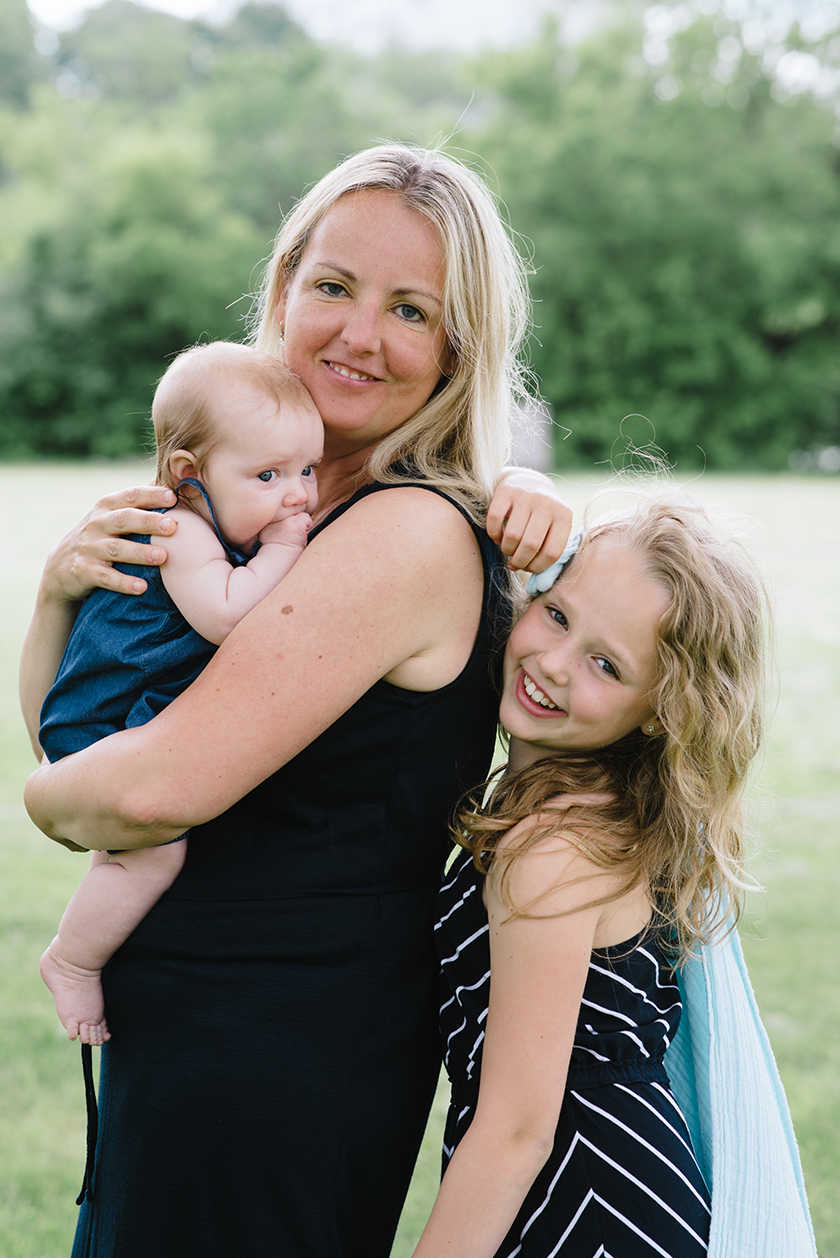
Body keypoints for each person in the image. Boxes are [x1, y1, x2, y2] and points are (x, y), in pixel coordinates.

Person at [20, 144, 573, 1258]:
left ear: (456, 351)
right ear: (281, 291)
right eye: (333, 286)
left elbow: (144, 786)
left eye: (411, 309)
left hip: (274, 1058)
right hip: (189, 1037)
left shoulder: (407, 533)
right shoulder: (270, 507)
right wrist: (54, 592)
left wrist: (48, 803)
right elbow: (77, 715)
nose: (359, 335)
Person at [423, 489, 771, 1258]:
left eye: (606, 665)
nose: (551, 663)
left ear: (661, 710)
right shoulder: (601, 811)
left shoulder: (553, 843)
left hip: (588, 1211)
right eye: (556, 615)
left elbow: (516, 1132)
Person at [38, 341, 324, 1048]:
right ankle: (72, 958)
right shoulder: (183, 533)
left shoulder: (222, 519)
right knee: (153, 852)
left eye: (307, 470)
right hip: (105, 717)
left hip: (128, 707)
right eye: (268, 474)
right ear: (188, 475)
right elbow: (227, 614)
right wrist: (287, 550)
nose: (298, 494)